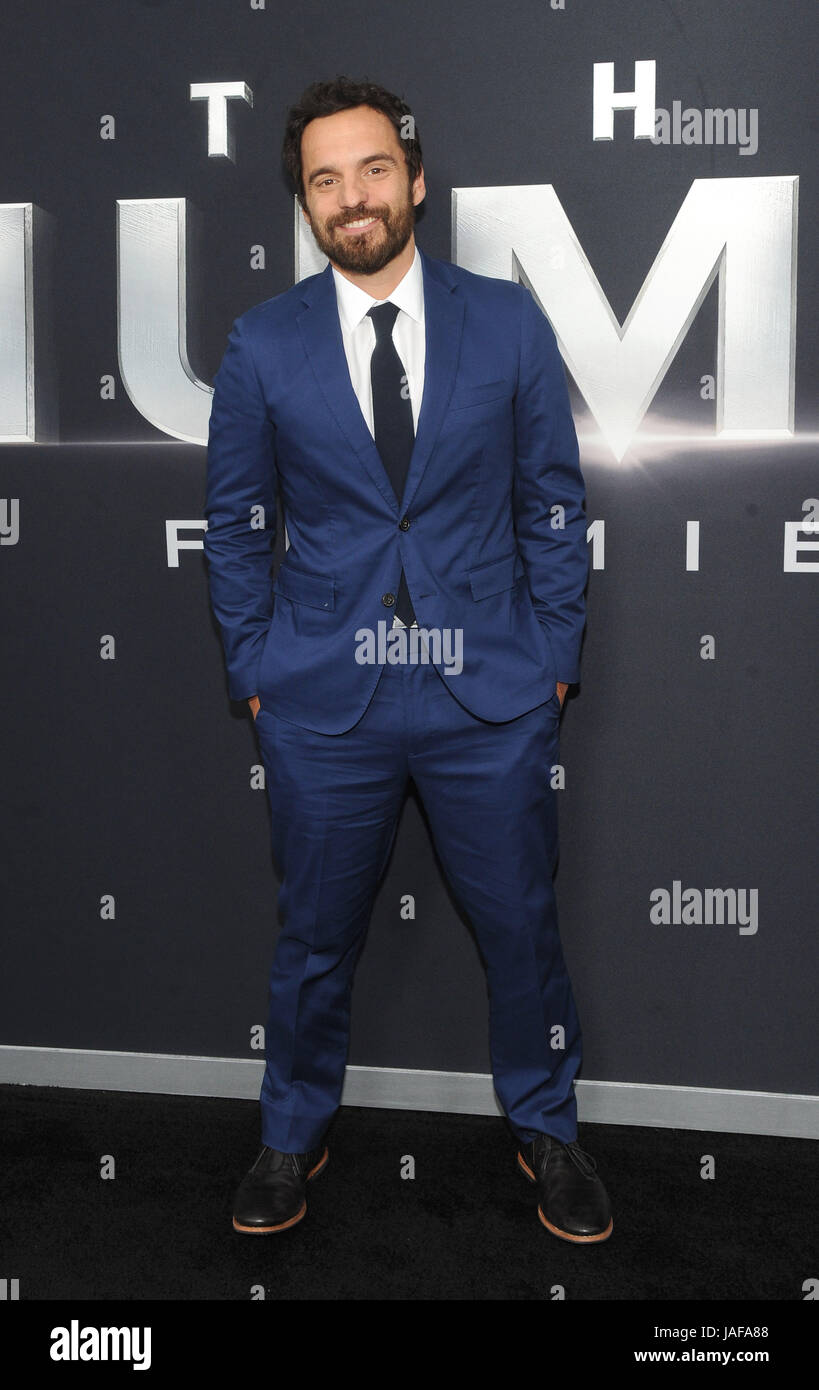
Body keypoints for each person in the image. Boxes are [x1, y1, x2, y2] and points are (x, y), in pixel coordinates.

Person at [204, 76, 612, 1244]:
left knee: (523, 925)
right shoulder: (262, 341)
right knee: (314, 936)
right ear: (306, 203)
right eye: (325, 179)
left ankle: (547, 1125)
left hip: (489, 692)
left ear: (416, 179)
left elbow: (550, 499)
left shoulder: (508, 323)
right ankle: (292, 1130)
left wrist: (554, 662)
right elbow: (234, 523)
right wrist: (256, 666)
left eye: (373, 168)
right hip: (324, 699)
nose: (353, 197)